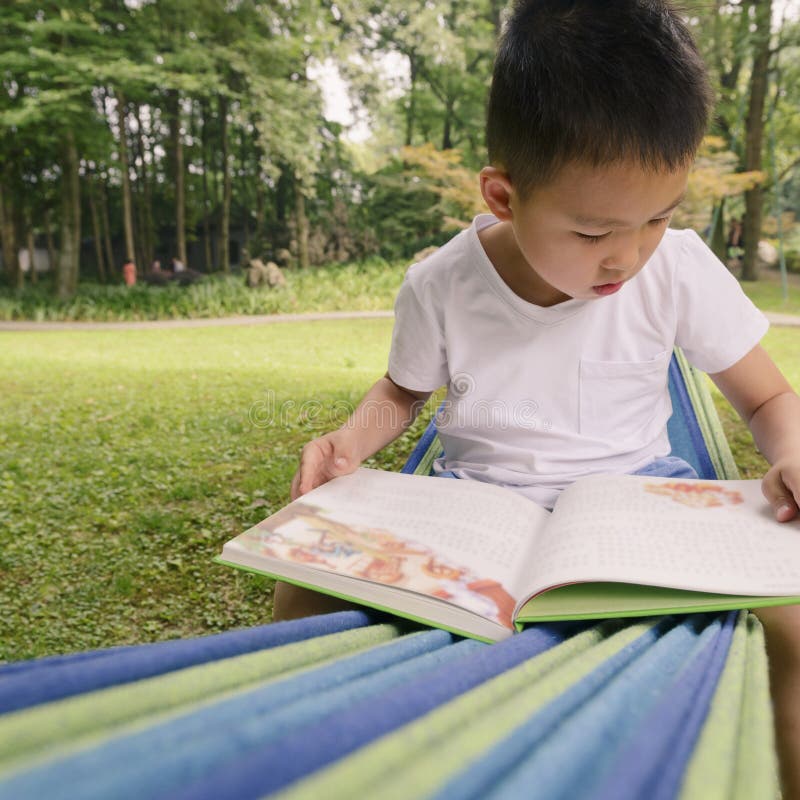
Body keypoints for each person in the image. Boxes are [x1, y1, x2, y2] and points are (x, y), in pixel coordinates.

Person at [283, 2, 800, 792]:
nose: (625, 257)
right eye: (593, 234)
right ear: (503, 195)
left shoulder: (678, 270)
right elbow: (402, 392)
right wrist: (350, 442)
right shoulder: (442, 285)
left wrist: (793, 451)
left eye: (657, 218)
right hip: (476, 510)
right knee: (302, 582)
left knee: (795, 622)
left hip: (637, 505)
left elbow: (767, 399)